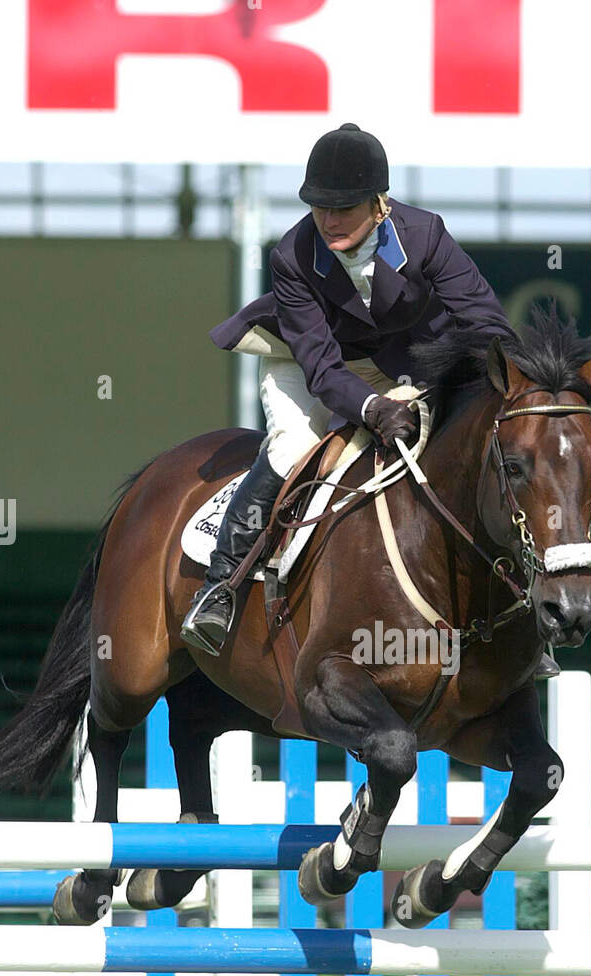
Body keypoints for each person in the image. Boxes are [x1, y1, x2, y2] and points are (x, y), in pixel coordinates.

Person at [181, 122, 514, 656]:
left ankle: (510, 607)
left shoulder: (426, 235)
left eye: (345, 207)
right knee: (291, 448)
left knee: (470, 445)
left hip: (409, 366)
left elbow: (484, 319)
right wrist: (371, 408)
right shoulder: (292, 255)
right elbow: (321, 365)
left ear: (380, 203)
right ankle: (220, 585)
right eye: (320, 207)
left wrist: (506, 381)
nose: (330, 220)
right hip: (313, 365)